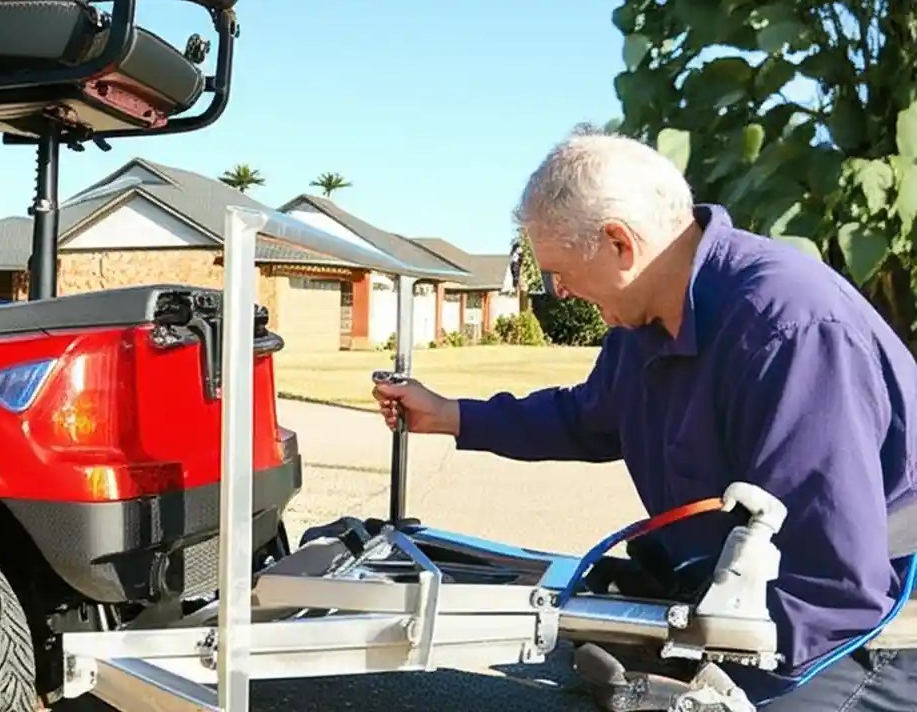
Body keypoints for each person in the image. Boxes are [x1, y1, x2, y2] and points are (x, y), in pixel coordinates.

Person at [372, 129, 917, 710]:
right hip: (742, 596)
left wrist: (710, 689)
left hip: (858, 638)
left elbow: (834, 582)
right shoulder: (644, 320)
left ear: (619, 243)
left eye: (560, 271)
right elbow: (589, 418)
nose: (557, 290)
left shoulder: (788, 329)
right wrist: (454, 416)